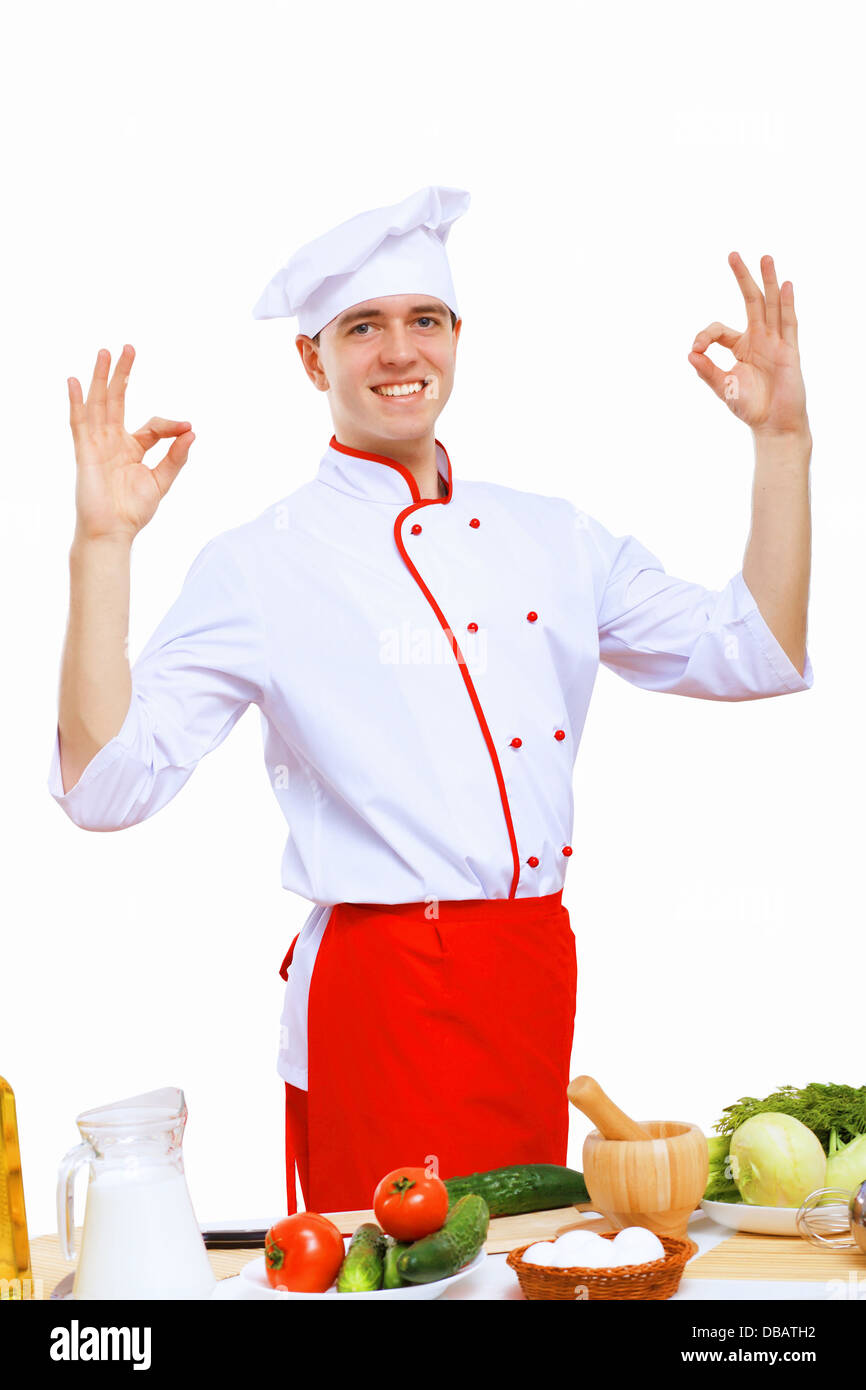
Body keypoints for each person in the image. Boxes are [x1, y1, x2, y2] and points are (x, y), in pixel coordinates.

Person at [49, 185, 814, 1215]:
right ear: (312, 360)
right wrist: (102, 547)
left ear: (457, 338)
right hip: (384, 988)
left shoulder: (553, 535)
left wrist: (781, 444)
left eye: (424, 320)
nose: (397, 351)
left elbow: (753, 649)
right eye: (361, 326)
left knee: (522, 1264)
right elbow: (107, 787)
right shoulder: (260, 565)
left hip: (532, 965)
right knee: (393, 1275)